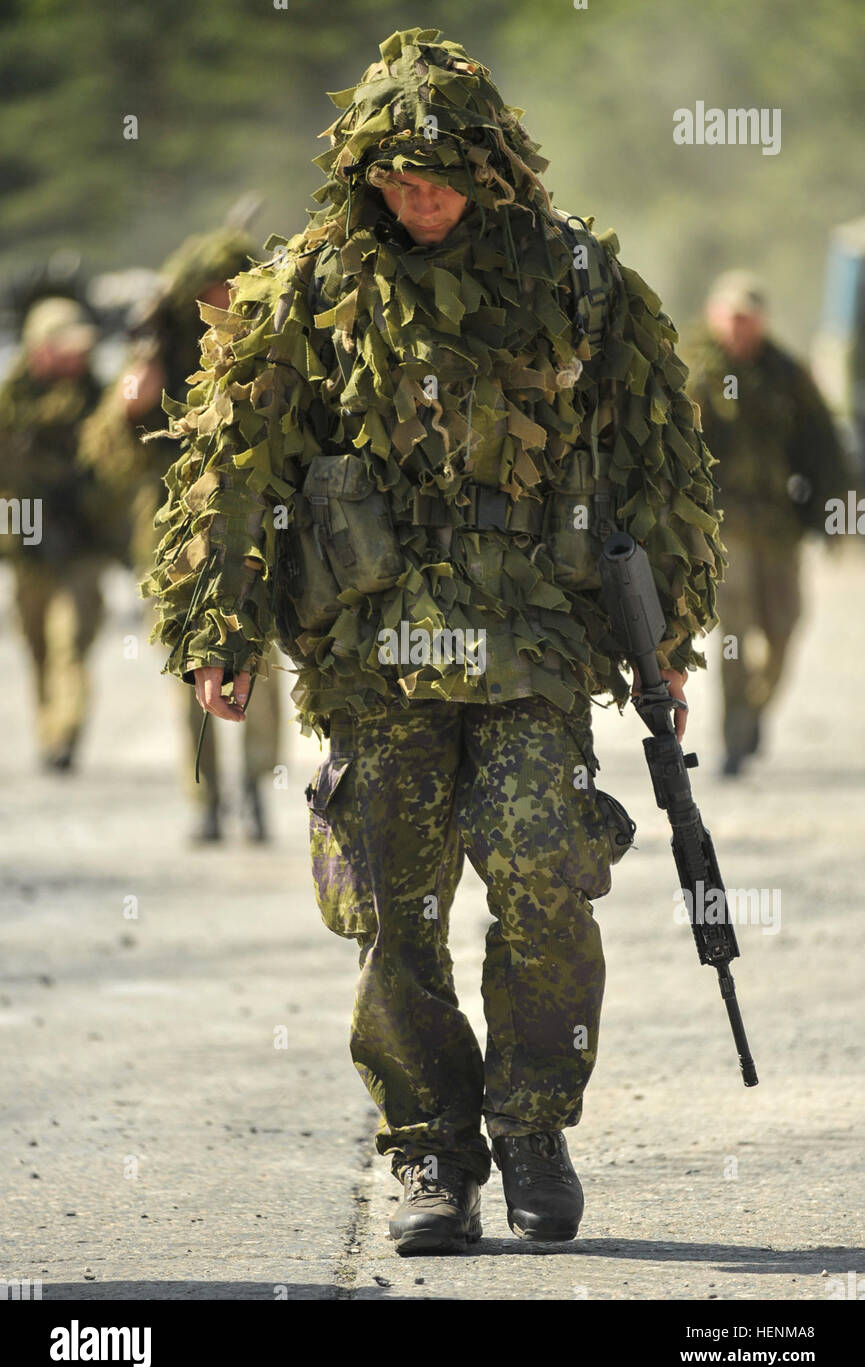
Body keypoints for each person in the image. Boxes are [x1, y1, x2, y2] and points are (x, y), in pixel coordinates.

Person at [144, 28, 724, 1254]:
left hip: (533, 646)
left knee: (543, 882)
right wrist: (219, 623)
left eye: (439, 178)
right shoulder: (307, 286)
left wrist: (662, 631)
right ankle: (427, 1151)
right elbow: (236, 463)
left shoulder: (575, 278)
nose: (416, 199)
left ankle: (528, 1128)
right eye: (395, 180)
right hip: (375, 652)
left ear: (493, 170)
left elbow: (656, 461)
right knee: (394, 918)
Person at [81, 230, 284, 840]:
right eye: (210, 290)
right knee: (187, 673)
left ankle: (254, 791)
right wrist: (129, 403)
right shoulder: (157, 354)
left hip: (253, 537)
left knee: (259, 668)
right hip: (173, 547)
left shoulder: (266, 351)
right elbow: (105, 454)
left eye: (233, 287)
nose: (222, 299)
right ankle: (205, 802)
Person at [685, 271, 848, 775]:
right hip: (722, 527)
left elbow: (823, 446)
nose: (740, 329)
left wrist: (835, 514)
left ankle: (754, 712)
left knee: (785, 628)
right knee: (733, 632)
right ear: (716, 317)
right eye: (732, 318)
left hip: (778, 525)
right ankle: (735, 737)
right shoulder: (695, 370)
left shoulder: (786, 373)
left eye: (749, 319)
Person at [0, 296, 106, 771]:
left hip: (81, 545)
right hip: (28, 545)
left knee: (71, 645)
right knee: (38, 646)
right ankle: (49, 732)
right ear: (39, 348)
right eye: (64, 348)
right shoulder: (12, 400)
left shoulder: (98, 397)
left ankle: (65, 733)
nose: (75, 357)